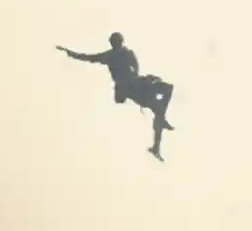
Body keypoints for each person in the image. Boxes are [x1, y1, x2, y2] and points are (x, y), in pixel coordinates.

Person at [57, 32, 175, 160]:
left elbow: (135, 69)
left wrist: (145, 78)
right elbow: (89, 58)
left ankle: (157, 142)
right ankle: (159, 127)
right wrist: (69, 53)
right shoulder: (111, 55)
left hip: (138, 85)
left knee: (166, 92)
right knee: (159, 107)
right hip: (131, 90)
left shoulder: (126, 53)